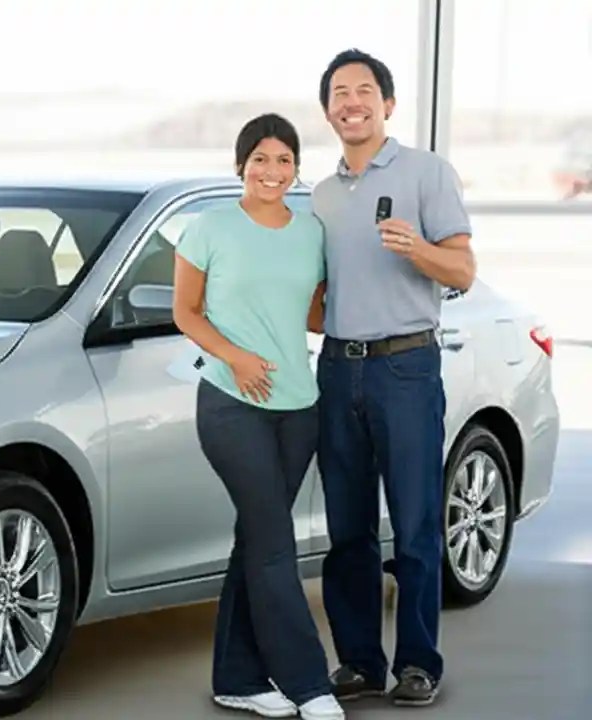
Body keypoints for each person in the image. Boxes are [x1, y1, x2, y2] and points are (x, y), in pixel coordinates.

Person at [310, 48, 476, 708]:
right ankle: (358, 661)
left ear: (388, 104)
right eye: (339, 93)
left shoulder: (426, 173)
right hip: (336, 368)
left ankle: (418, 663)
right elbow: (318, 295)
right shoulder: (320, 194)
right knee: (347, 529)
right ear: (327, 110)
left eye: (364, 90)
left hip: (405, 368)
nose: (351, 102)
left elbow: (462, 271)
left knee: (414, 525)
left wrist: (418, 250)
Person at [173, 113, 345, 720]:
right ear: (241, 164)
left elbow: (317, 313)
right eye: (261, 159)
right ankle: (308, 684)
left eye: (284, 160)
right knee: (274, 545)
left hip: (299, 409)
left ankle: (238, 678)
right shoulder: (211, 226)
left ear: (297, 168)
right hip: (230, 403)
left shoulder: (311, 233)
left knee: (256, 539)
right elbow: (186, 313)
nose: (272, 171)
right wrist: (238, 358)